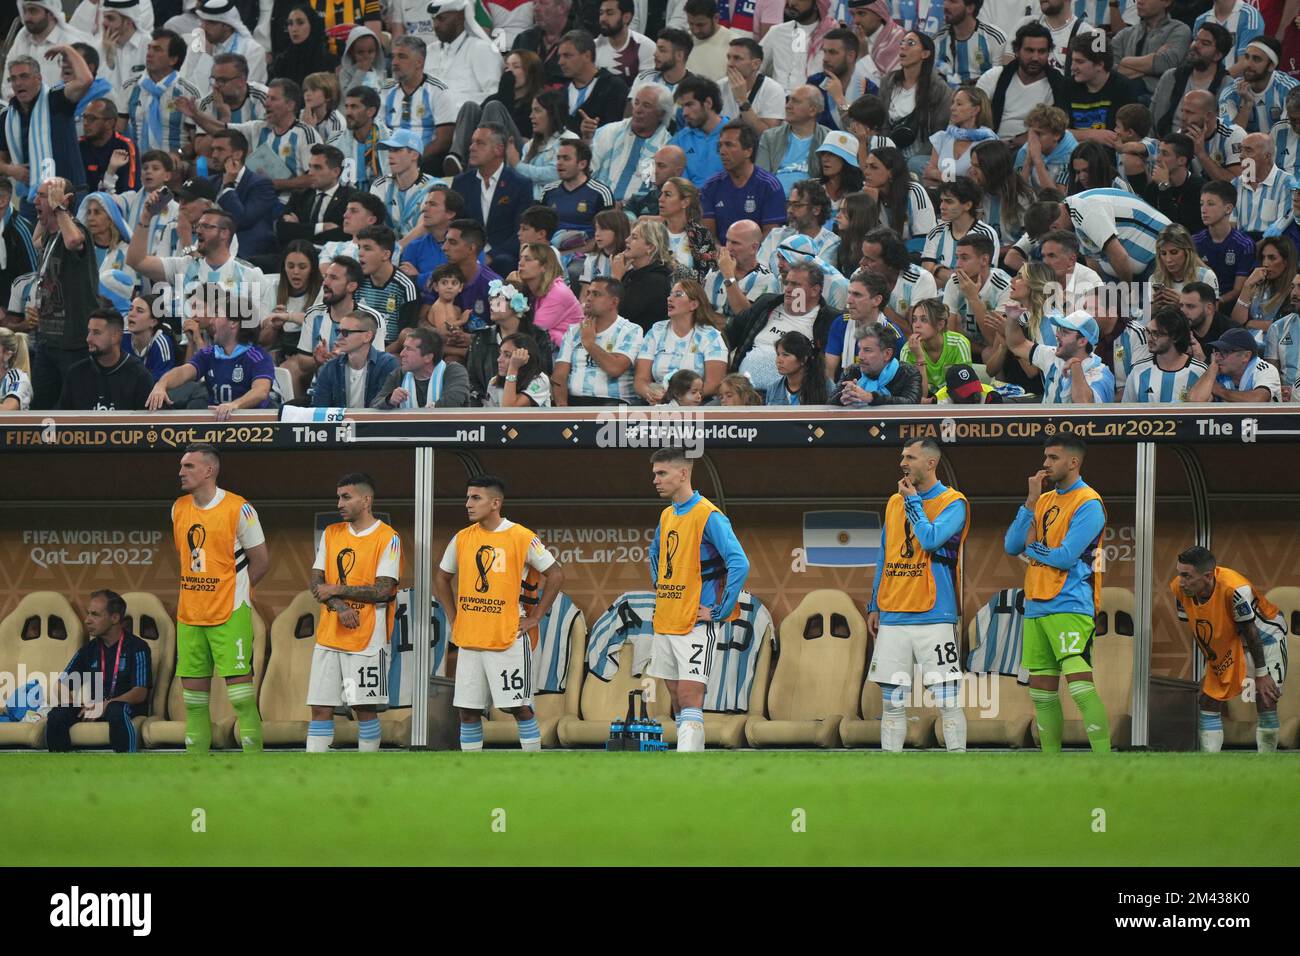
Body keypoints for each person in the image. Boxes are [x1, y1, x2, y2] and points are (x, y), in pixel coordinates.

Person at [433, 475, 565, 752]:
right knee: (467, 712)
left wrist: (536, 617)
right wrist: (454, 617)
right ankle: (472, 772)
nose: (468, 504)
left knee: (518, 707)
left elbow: (555, 574)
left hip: (508, 638)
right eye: (467, 497)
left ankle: (532, 767)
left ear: (495, 503)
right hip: (470, 641)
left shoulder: (521, 536)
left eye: (475, 498)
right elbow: (442, 578)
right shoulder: (462, 538)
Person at [1003, 435, 1110, 754]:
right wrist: (1030, 501)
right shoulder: (1044, 501)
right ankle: (1052, 765)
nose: (1045, 463)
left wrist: (1033, 548)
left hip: (1071, 604)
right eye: (1045, 456)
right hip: (1036, 604)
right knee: (1041, 693)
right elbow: (1011, 545)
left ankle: (1105, 762)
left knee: (1079, 686)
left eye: (1053, 457)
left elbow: (1065, 557)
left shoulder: (1089, 503)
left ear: (1073, 462)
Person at [865, 436, 970, 751]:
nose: (903, 463)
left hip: (934, 614)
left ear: (931, 462)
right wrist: (875, 604)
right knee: (892, 700)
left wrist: (913, 502)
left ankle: (959, 765)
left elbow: (930, 539)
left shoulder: (954, 503)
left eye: (910, 457)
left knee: (946, 697)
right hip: (894, 614)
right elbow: (885, 554)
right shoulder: (894, 501)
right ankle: (891, 771)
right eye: (903, 457)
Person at [646, 447, 749, 752]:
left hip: (694, 623)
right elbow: (654, 554)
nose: (655, 480)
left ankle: (689, 768)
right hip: (666, 619)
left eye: (662, 473)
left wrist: (721, 610)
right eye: (654, 474)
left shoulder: (708, 514)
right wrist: (661, 585)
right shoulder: (667, 515)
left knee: (691, 695)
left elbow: (739, 563)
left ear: (683, 473)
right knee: (676, 695)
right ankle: (688, 759)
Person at [169, 442, 270, 753]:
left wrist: (235, 592)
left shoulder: (239, 509)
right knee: (194, 701)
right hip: (190, 616)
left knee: (240, 698)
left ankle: (254, 765)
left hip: (230, 614)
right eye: (182, 465)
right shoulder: (178, 508)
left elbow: (261, 561)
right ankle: (196, 769)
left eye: (189, 466)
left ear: (209, 471)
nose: (181, 472)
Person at [306, 473, 400, 753]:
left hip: (367, 637)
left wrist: (336, 589)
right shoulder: (331, 533)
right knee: (320, 706)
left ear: (366, 499)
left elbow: (383, 590)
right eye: (338, 497)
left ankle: (366, 768)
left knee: (363, 707)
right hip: (329, 634)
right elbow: (316, 583)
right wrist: (340, 605)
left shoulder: (388, 538)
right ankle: (313, 770)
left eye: (346, 497)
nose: (339, 503)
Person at [1172, 546, 1287, 753]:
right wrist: (1210, 666)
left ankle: (1268, 760)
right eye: (1179, 573)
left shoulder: (1235, 589)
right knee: (1208, 698)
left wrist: (1261, 674)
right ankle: (1210, 763)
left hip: (1265, 637)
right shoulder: (1181, 589)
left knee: (1265, 696)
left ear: (1207, 576)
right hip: (1229, 639)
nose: (1181, 581)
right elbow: (1198, 628)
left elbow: (1251, 633)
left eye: (1187, 576)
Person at [46, 590, 152, 754]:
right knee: (57, 715)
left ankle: (127, 766)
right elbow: (62, 684)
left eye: (95, 615)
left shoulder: (137, 647)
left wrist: (106, 704)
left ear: (115, 618)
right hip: (94, 707)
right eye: (88, 614)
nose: (87, 620)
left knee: (117, 710)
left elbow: (140, 692)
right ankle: (61, 770)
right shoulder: (90, 649)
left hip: (125, 707)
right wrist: (76, 704)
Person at [27, 178, 102, 410]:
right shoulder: (49, 237)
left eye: (42, 196)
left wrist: (60, 206)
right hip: (48, 340)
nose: (34, 200)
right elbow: (35, 240)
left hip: (74, 341)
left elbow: (73, 241)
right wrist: (46, 213)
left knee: (77, 410)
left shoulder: (77, 230)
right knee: (40, 407)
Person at [1, 48, 95, 221]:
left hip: (70, 194)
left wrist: (67, 50)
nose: (18, 83)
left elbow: (86, 80)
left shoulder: (56, 100)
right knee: (32, 248)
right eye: (13, 78)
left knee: (72, 245)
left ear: (39, 79)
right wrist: (11, 170)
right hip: (32, 200)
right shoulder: (7, 118)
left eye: (24, 76)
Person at [728, 260, 837, 391]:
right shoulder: (767, 303)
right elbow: (728, 336)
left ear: (815, 290)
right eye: (787, 283)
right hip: (742, 393)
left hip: (791, 398)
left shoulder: (830, 320)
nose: (788, 289)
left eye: (795, 284)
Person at [1021, 189, 1172, 282]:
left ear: (1054, 228)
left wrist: (1126, 293)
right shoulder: (1071, 216)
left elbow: (1120, 256)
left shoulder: (1087, 211)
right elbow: (1092, 259)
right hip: (1134, 270)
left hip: (1163, 250)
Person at [452, 124, 536, 277]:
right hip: (468, 252)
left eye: (480, 143)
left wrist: (489, 256)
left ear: (498, 150)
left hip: (503, 256)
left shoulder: (520, 184)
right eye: (472, 142)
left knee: (503, 262)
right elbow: (456, 225)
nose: (471, 147)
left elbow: (522, 232)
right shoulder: (461, 183)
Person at [552, 276, 643, 405]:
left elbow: (615, 369)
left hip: (614, 403)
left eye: (596, 294)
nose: (588, 298)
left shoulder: (630, 330)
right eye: (588, 293)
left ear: (614, 302)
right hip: (575, 403)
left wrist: (589, 343)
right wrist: (562, 408)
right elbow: (560, 375)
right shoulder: (573, 331)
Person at [634, 277, 727, 402]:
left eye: (678, 294)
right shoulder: (656, 331)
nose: (669, 298)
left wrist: (681, 397)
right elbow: (641, 380)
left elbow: (714, 383)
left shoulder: (710, 336)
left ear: (693, 304)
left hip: (698, 403)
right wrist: (650, 394)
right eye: (670, 294)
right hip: (658, 401)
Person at [978, 22, 1068, 146]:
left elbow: (1054, 130)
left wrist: (1012, 143)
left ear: (1049, 53)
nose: (1035, 58)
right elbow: (973, 113)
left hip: (1033, 149)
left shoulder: (1058, 85)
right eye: (1029, 50)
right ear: (1017, 51)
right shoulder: (994, 77)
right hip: (989, 148)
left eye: (1041, 51)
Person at [465, 277, 552, 403]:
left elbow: (542, 375)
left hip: (525, 407)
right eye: (491, 299)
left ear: (516, 304)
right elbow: (472, 380)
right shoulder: (480, 338)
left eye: (499, 300)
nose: (492, 303)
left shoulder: (538, 337)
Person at [1003, 307, 1116, 402]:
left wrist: (1075, 365)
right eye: (1059, 330)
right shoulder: (1053, 355)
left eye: (1064, 332)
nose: (1057, 335)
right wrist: (1012, 319)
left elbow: (1084, 407)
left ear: (1082, 341)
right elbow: (1017, 345)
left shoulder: (1100, 375)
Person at [879, 31, 953, 174]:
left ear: (925, 54)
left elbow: (939, 134)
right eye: (902, 43)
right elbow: (883, 125)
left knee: (914, 163)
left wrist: (908, 160)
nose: (903, 47)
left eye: (910, 43)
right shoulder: (888, 82)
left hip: (924, 152)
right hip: (891, 149)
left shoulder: (939, 89)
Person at [592, 83, 675, 206]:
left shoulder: (666, 147)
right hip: (597, 204)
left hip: (640, 213)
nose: (638, 110)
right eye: (636, 103)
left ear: (661, 113)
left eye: (646, 106)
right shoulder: (608, 132)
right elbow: (590, 171)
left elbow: (656, 190)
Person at [380, 35, 456, 167]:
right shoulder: (385, 90)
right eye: (394, 56)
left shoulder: (438, 91)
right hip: (388, 160)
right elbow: (377, 130)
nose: (394, 62)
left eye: (402, 57)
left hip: (423, 161)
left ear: (419, 62)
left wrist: (413, 159)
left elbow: (444, 141)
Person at [57, 309, 154, 410]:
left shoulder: (139, 376)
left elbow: (147, 422)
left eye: (96, 333)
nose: (88, 339)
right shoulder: (76, 373)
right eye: (89, 331)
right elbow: (64, 418)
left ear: (115, 337)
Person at [1149, 22, 1232, 138]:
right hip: (1164, 144)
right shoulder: (1171, 77)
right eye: (1196, 39)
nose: (1196, 45)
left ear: (1217, 55)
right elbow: (1152, 120)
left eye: (1205, 43)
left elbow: (1225, 130)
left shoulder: (1227, 86)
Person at [206, 128, 279, 258]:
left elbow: (242, 220)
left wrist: (228, 187)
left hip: (245, 254)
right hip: (210, 250)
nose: (214, 155)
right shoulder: (211, 183)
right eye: (213, 150)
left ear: (238, 154)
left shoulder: (261, 185)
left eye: (220, 150)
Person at [424, 0, 506, 116]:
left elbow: (494, 97)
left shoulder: (482, 49)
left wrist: (456, 105)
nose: (436, 25)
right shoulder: (429, 51)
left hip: (467, 123)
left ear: (460, 16)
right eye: (434, 20)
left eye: (442, 19)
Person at [922, 176, 1001, 288]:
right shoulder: (936, 232)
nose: (942, 207)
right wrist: (959, 279)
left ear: (967, 205)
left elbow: (981, 280)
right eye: (942, 201)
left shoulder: (986, 234)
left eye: (949, 202)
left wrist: (937, 269)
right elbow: (926, 275)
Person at [311, 311, 398, 407]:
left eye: (345, 332)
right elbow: (319, 409)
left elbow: (386, 410)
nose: (339, 337)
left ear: (367, 336)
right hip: (340, 422)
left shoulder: (387, 364)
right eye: (338, 332)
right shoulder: (330, 367)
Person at [861, 227, 939, 334]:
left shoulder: (921, 280)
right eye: (864, 256)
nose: (862, 262)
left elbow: (916, 333)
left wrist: (878, 303)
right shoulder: (859, 276)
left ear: (891, 263)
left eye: (870, 259)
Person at [1121, 304, 1207, 401]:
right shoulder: (1138, 371)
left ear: (1175, 336)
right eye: (1148, 332)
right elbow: (1126, 412)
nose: (1149, 338)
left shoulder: (1200, 372)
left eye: (1156, 334)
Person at [862, 146, 937, 257]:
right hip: (881, 258)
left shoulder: (914, 192)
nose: (866, 172)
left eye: (873, 167)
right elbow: (863, 238)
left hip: (915, 256)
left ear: (891, 172)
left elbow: (923, 241)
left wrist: (889, 256)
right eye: (866, 167)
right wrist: (871, 206)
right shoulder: (867, 194)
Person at [943, 232, 1011, 353]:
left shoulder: (1004, 287)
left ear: (984, 260)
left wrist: (973, 298)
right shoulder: (955, 281)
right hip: (966, 348)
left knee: (988, 353)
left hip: (997, 353)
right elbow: (949, 334)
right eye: (957, 258)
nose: (957, 265)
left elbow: (993, 340)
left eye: (964, 258)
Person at [276, 144, 354, 249]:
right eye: (310, 166)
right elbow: (282, 230)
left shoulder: (351, 198)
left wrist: (300, 229)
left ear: (335, 172)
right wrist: (322, 227)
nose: (310, 173)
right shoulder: (300, 195)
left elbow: (344, 235)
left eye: (317, 167)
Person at [373, 326, 472, 407]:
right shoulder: (398, 375)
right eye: (403, 348)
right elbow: (374, 406)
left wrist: (427, 413)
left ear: (428, 357)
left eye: (409, 349)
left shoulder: (453, 371)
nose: (402, 354)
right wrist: (389, 400)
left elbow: (453, 402)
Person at [757, 178, 839, 276]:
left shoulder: (831, 243)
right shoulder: (776, 235)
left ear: (816, 210)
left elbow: (818, 277)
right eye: (789, 204)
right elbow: (759, 271)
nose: (790, 210)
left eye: (797, 205)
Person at [1064, 32, 1135, 145]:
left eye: (1080, 62)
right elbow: (1057, 132)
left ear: (1100, 65)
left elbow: (1118, 137)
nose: (1072, 67)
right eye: (1073, 61)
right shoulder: (1066, 87)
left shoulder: (1123, 88)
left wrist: (1076, 135)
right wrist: (1091, 135)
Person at [558, 29, 631, 139]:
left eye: (567, 56)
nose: (561, 62)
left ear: (587, 55)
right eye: (560, 56)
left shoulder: (614, 88)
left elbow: (617, 133)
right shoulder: (561, 94)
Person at [703, 218, 780, 322]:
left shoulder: (766, 280)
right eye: (727, 240)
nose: (728, 248)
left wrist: (728, 276)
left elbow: (745, 318)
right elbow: (703, 313)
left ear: (753, 248)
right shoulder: (714, 272)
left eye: (735, 243)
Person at [1194, 179, 1255, 309]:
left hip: (1227, 308)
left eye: (1210, 204)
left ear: (1228, 208)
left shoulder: (1244, 245)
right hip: (1197, 303)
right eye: (1201, 204)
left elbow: (1238, 290)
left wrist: (1216, 302)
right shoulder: (1194, 242)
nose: (1203, 210)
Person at [1218, 36, 1298, 135]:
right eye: (1247, 57)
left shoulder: (1290, 89)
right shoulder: (1230, 92)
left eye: (1256, 59)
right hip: (1246, 149)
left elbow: (1291, 134)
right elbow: (1229, 137)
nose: (1248, 64)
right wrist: (1246, 106)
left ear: (1271, 66)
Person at [1110, 0, 1190, 98]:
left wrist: (1124, 61)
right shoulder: (1124, 34)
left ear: (1167, 2)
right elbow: (1108, 69)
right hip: (1122, 94)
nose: (1139, 2)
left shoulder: (1179, 30)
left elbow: (1166, 63)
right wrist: (1153, 61)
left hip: (1157, 97)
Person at [834, 322, 924, 405]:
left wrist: (872, 397)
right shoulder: (852, 371)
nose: (860, 356)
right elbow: (829, 403)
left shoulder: (908, 373)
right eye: (859, 349)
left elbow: (912, 404)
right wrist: (842, 398)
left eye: (867, 350)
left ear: (887, 354)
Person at [902, 297, 974, 399]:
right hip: (924, 409)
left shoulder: (958, 343)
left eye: (924, 320)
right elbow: (917, 397)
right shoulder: (908, 351)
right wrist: (919, 358)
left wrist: (937, 401)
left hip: (955, 404)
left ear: (940, 324)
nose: (916, 325)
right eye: (914, 319)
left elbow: (965, 389)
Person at [541, 139, 614, 238]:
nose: (559, 163)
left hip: (587, 251)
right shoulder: (548, 191)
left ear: (582, 164)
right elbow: (538, 229)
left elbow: (607, 235)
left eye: (566, 158)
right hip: (552, 250)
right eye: (558, 158)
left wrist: (572, 252)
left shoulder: (601, 192)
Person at [517, 242, 584, 347]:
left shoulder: (558, 292)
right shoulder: (529, 291)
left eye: (528, 259)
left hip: (570, 353)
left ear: (544, 266)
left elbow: (536, 331)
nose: (520, 263)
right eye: (520, 258)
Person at [613, 219, 677, 332]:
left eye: (634, 237)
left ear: (650, 247)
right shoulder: (630, 274)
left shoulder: (656, 281)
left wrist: (616, 279)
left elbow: (620, 315)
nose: (627, 240)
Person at [1187, 325, 1281, 400]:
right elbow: (1195, 401)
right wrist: (1211, 370)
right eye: (1216, 351)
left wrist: (1220, 391)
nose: (1218, 357)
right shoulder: (1217, 371)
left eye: (1225, 352)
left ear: (1246, 356)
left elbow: (1258, 399)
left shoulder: (1265, 369)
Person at [760, 0, 837, 91]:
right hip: (777, 100)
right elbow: (757, 67)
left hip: (814, 102)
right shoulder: (777, 32)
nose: (792, 3)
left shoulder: (832, 37)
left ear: (817, 5)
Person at [517, 89, 579, 200]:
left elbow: (555, 174)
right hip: (528, 204)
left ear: (552, 113)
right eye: (531, 111)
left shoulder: (570, 139)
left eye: (537, 110)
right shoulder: (529, 145)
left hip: (557, 204)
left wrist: (516, 165)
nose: (531, 116)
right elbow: (522, 178)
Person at [1233, 132, 1295, 239]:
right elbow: (1231, 226)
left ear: (1267, 157)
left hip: (1271, 245)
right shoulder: (1235, 184)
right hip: (1241, 246)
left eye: (1248, 150)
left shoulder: (1287, 183)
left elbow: (1282, 227)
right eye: (1241, 150)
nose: (1241, 156)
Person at [971, 139, 1032, 246]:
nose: (972, 171)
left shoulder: (1022, 197)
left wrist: (996, 253)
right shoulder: (975, 193)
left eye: (978, 167)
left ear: (993, 168)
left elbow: (1030, 241)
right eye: (972, 165)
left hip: (1010, 259)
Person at [328, 85, 389, 193]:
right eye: (346, 107)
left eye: (354, 107)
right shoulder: (335, 143)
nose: (348, 113)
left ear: (371, 111)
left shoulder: (391, 142)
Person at [670, 76, 729, 185]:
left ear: (708, 103)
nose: (684, 113)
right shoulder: (680, 139)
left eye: (689, 105)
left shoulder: (735, 134)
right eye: (682, 107)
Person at [935, 0, 1009, 87]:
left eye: (953, 1)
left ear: (970, 8)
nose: (945, 6)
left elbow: (997, 79)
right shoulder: (938, 40)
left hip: (983, 97)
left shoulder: (995, 38)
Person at [719, 36, 784, 134]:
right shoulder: (719, 86)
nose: (730, 64)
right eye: (729, 58)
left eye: (737, 58)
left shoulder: (773, 90)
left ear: (756, 64)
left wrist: (742, 101)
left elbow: (768, 137)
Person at [1142, 132, 1206, 231]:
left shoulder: (1199, 189)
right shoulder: (1153, 187)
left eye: (1165, 154)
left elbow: (1175, 230)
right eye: (1159, 152)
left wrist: (1164, 188)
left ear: (1181, 160)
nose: (1157, 158)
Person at [1232, 235, 1296, 334]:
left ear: (1286, 261)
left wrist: (1249, 323)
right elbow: (1236, 322)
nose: (1265, 263)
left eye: (1272, 258)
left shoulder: (1295, 288)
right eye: (1263, 258)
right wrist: (1247, 286)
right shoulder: (1257, 284)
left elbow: (1287, 326)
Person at [79, 97, 139, 196]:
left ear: (109, 123)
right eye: (84, 117)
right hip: (86, 206)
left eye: (91, 119)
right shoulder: (79, 146)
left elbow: (131, 191)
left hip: (117, 206)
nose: (85, 123)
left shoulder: (125, 146)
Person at [513, 0, 574, 88]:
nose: (535, 8)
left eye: (542, 3)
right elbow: (510, 78)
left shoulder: (578, 42)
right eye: (534, 3)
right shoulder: (524, 39)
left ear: (562, 8)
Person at [1014, 103, 1076, 189]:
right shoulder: (1024, 151)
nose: (1033, 140)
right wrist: (1028, 161)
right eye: (1032, 133)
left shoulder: (1071, 153)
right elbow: (1017, 193)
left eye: (1039, 134)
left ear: (1056, 135)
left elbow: (1060, 199)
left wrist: (1038, 161)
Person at [595, 0, 656, 84]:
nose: (603, 19)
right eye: (601, 13)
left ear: (626, 18)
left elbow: (647, 89)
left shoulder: (645, 47)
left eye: (610, 13)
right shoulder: (594, 47)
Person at [763, 330, 829, 405]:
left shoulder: (826, 386)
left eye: (785, 355)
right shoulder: (773, 389)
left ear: (803, 359)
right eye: (778, 354)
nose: (779, 361)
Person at [1263, 274, 1300, 400]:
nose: (1294, 293)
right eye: (1292, 287)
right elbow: (1272, 375)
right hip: (1288, 403)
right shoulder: (1277, 328)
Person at [1179, 280, 1235, 360]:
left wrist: (1202, 360)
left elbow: (1231, 371)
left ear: (1209, 308)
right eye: (1181, 305)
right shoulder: (1178, 328)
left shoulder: (1230, 334)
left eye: (1190, 306)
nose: (1183, 311)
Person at [684, 0, 736, 81]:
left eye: (700, 25)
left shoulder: (733, 43)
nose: (695, 30)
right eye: (691, 24)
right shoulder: (684, 39)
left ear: (716, 18)